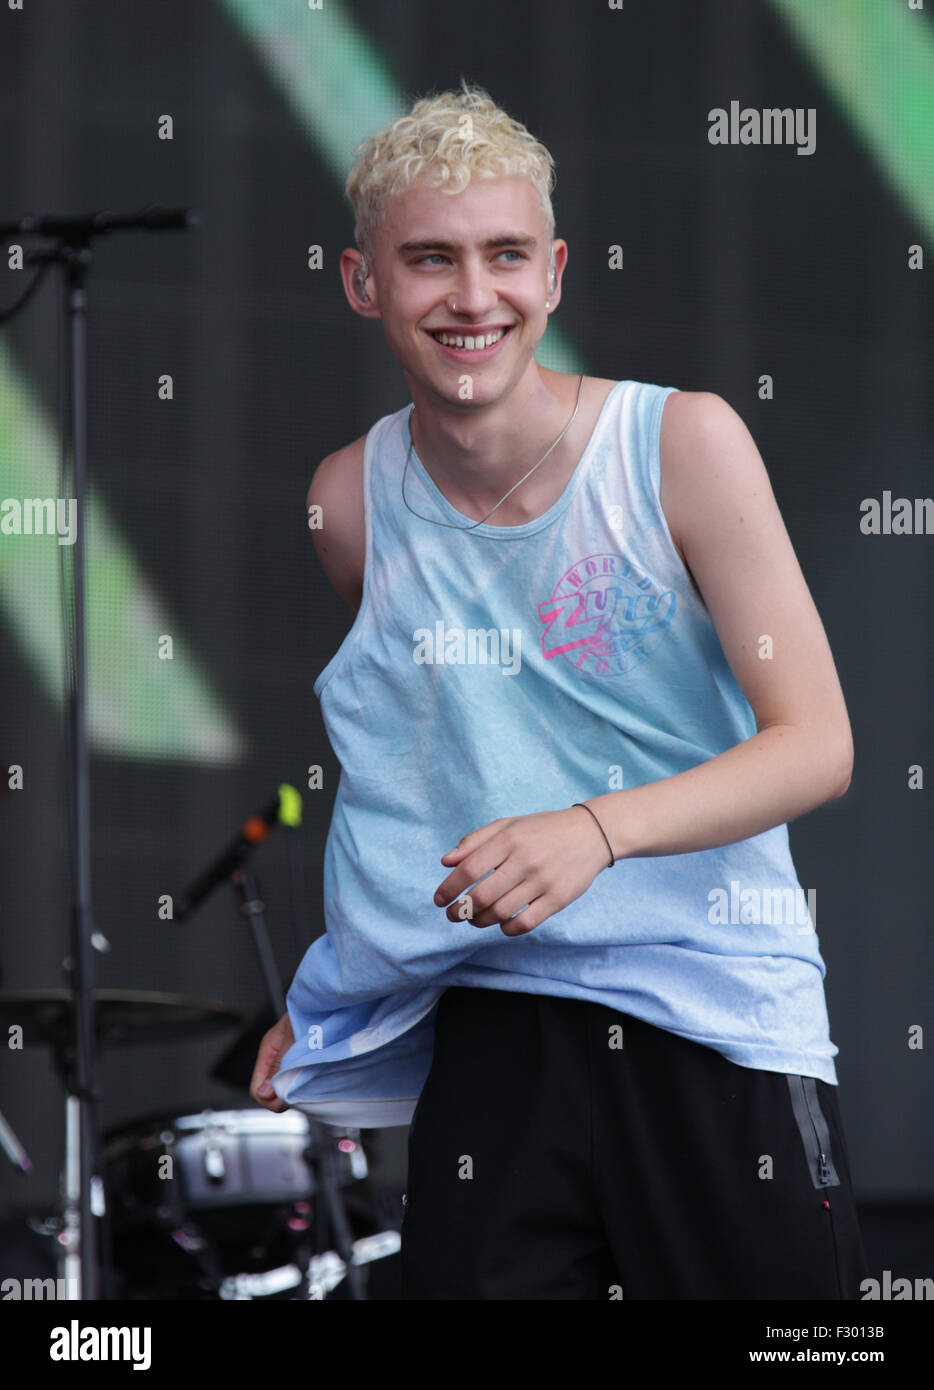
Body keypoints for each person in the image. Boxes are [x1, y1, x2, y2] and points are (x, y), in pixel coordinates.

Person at [249, 79, 869, 1300]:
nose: (472, 296)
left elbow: (818, 745)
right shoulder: (351, 505)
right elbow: (434, 777)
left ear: (557, 271)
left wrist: (597, 830)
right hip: (495, 1031)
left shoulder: (680, 444)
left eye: (505, 255)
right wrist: (334, 994)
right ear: (362, 281)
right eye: (430, 259)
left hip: (715, 1017)